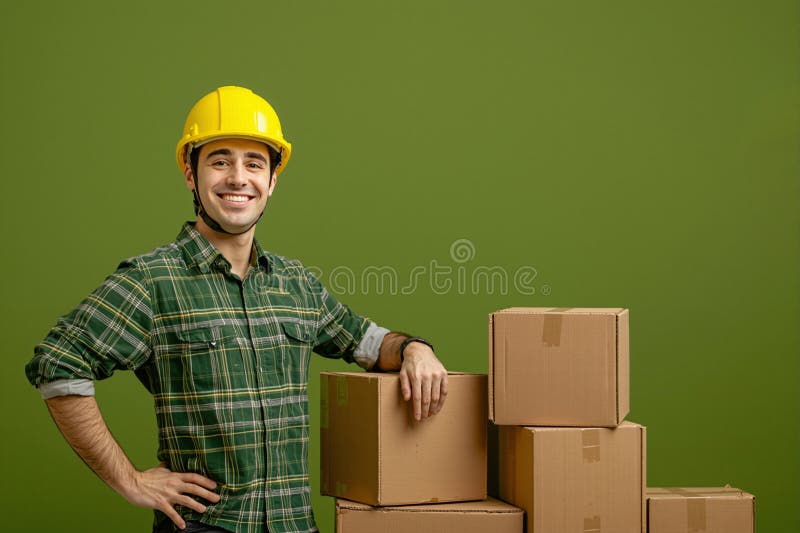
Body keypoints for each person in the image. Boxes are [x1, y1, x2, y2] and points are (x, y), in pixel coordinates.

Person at [24, 86, 448, 533]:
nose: (238, 178)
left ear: (272, 180)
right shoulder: (152, 280)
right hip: (207, 527)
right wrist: (128, 479)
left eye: (254, 163)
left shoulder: (295, 283)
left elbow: (369, 342)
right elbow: (58, 363)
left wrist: (415, 349)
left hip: (295, 525)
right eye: (220, 161)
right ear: (191, 173)